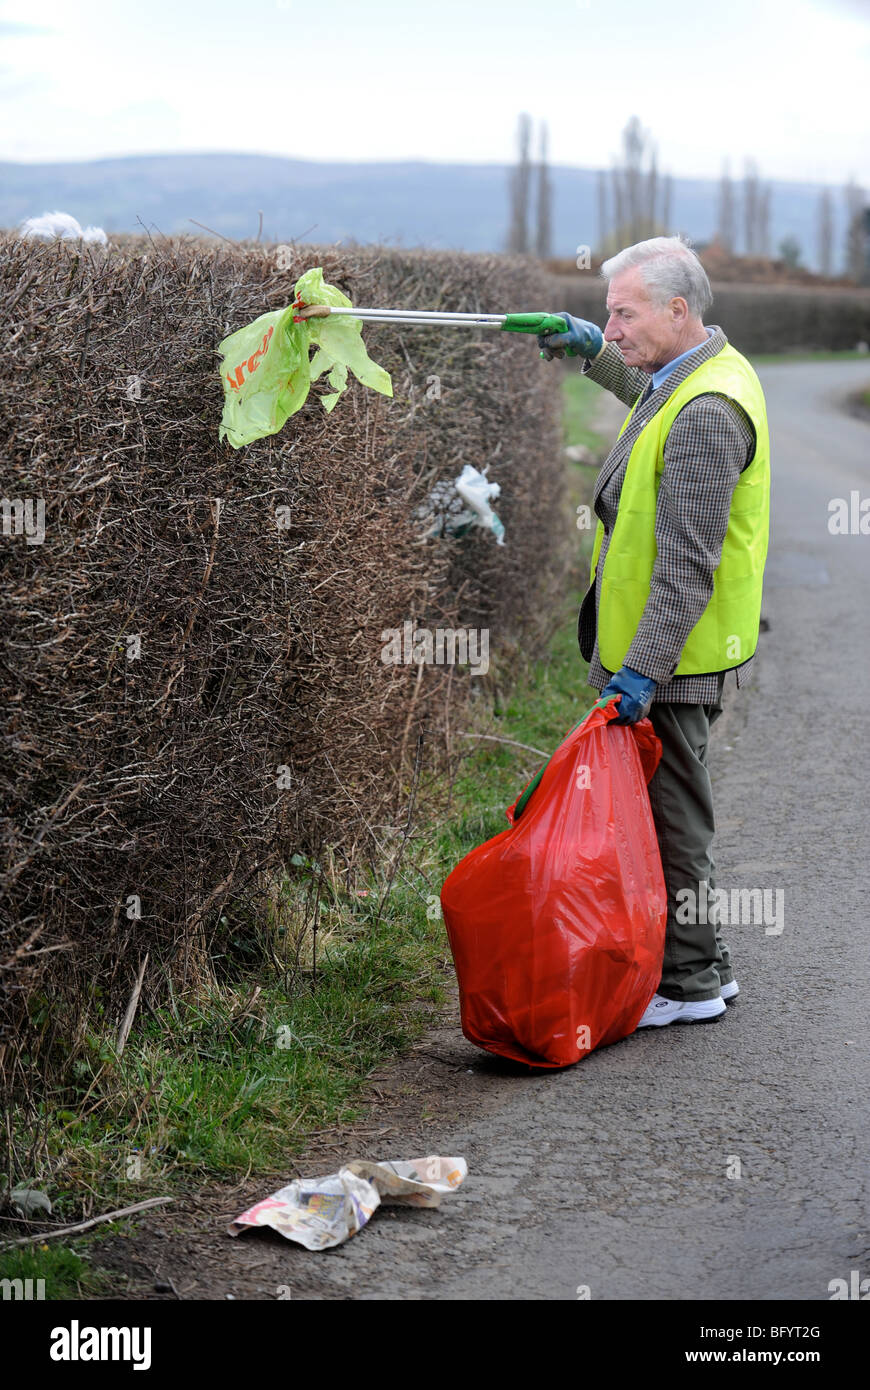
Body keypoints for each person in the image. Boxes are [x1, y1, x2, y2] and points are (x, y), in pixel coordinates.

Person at [538, 235, 770, 1028]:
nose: (615, 324)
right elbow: (648, 402)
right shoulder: (695, 374)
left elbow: (686, 566)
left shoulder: (708, 413)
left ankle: (690, 985)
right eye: (608, 313)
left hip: (670, 658)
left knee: (675, 824)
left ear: (679, 309)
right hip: (664, 651)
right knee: (670, 812)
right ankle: (712, 967)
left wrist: (641, 671)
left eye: (623, 313)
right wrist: (593, 351)